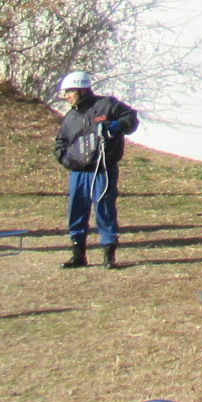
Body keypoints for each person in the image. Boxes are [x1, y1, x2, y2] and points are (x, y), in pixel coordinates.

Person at [55, 70, 138, 270]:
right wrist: (68, 160)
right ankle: (78, 254)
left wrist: (116, 126)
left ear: (83, 90)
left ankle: (109, 255)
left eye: (70, 91)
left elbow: (131, 118)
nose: (66, 96)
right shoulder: (70, 117)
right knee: (77, 211)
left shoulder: (107, 105)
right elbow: (61, 142)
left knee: (104, 209)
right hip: (79, 173)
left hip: (103, 170)